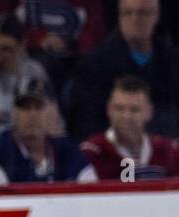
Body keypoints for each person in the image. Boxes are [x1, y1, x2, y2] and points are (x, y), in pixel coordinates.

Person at [69, 0, 177, 139]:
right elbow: (87, 123)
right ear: (119, 16)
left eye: (143, 13)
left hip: (166, 150)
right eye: (127, 13)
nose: (135, 19)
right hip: (113, 151)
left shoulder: (172, 60)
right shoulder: (95, 63)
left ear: (156, 16)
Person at [0, 80, 95, 183]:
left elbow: (91, 196)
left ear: (53, 112)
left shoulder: (69, 152)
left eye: (39, 107)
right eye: (24, 107)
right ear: (13, 113)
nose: (32, 115)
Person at [0, 12, 61, 142]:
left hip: (32, 145)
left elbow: (52, 119)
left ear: (22, 44)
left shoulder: (34, 71)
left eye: (7, 49)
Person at [80, 75, 179, 180]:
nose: (126, 116)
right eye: (119, 108)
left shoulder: (167, 150)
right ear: (109, 109)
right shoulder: (93, 152)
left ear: (149, 112)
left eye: (134, 109)